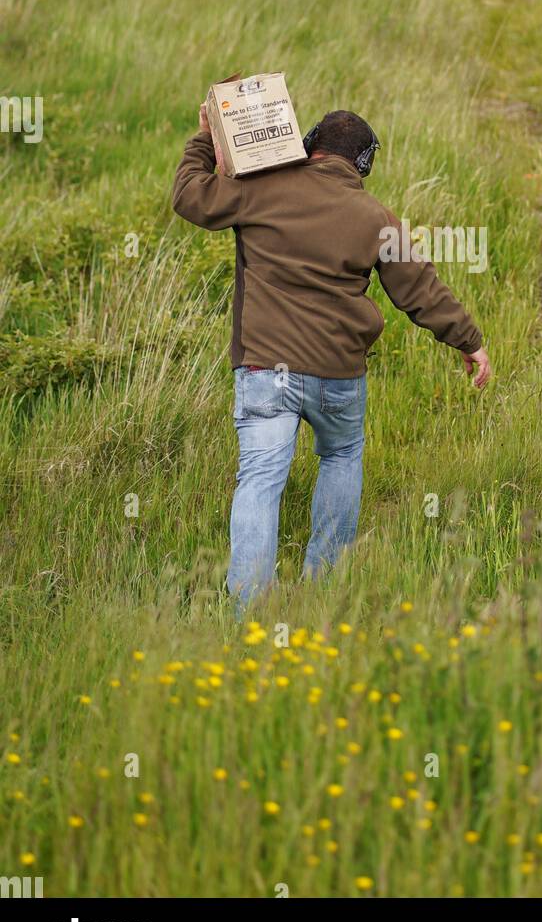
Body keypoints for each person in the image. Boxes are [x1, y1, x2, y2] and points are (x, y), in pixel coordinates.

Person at [172, 107, 490, 604]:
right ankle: (323, 592)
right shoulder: (377, 218)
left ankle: (250, 608)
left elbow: (190, 196)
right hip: (337, 374)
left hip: (264, 368)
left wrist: (205, 136)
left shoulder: (260, 189)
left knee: (259, 478)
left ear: (307, 143)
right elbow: (420, 290)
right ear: (363, 165)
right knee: (341, 456)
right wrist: (469, 341)